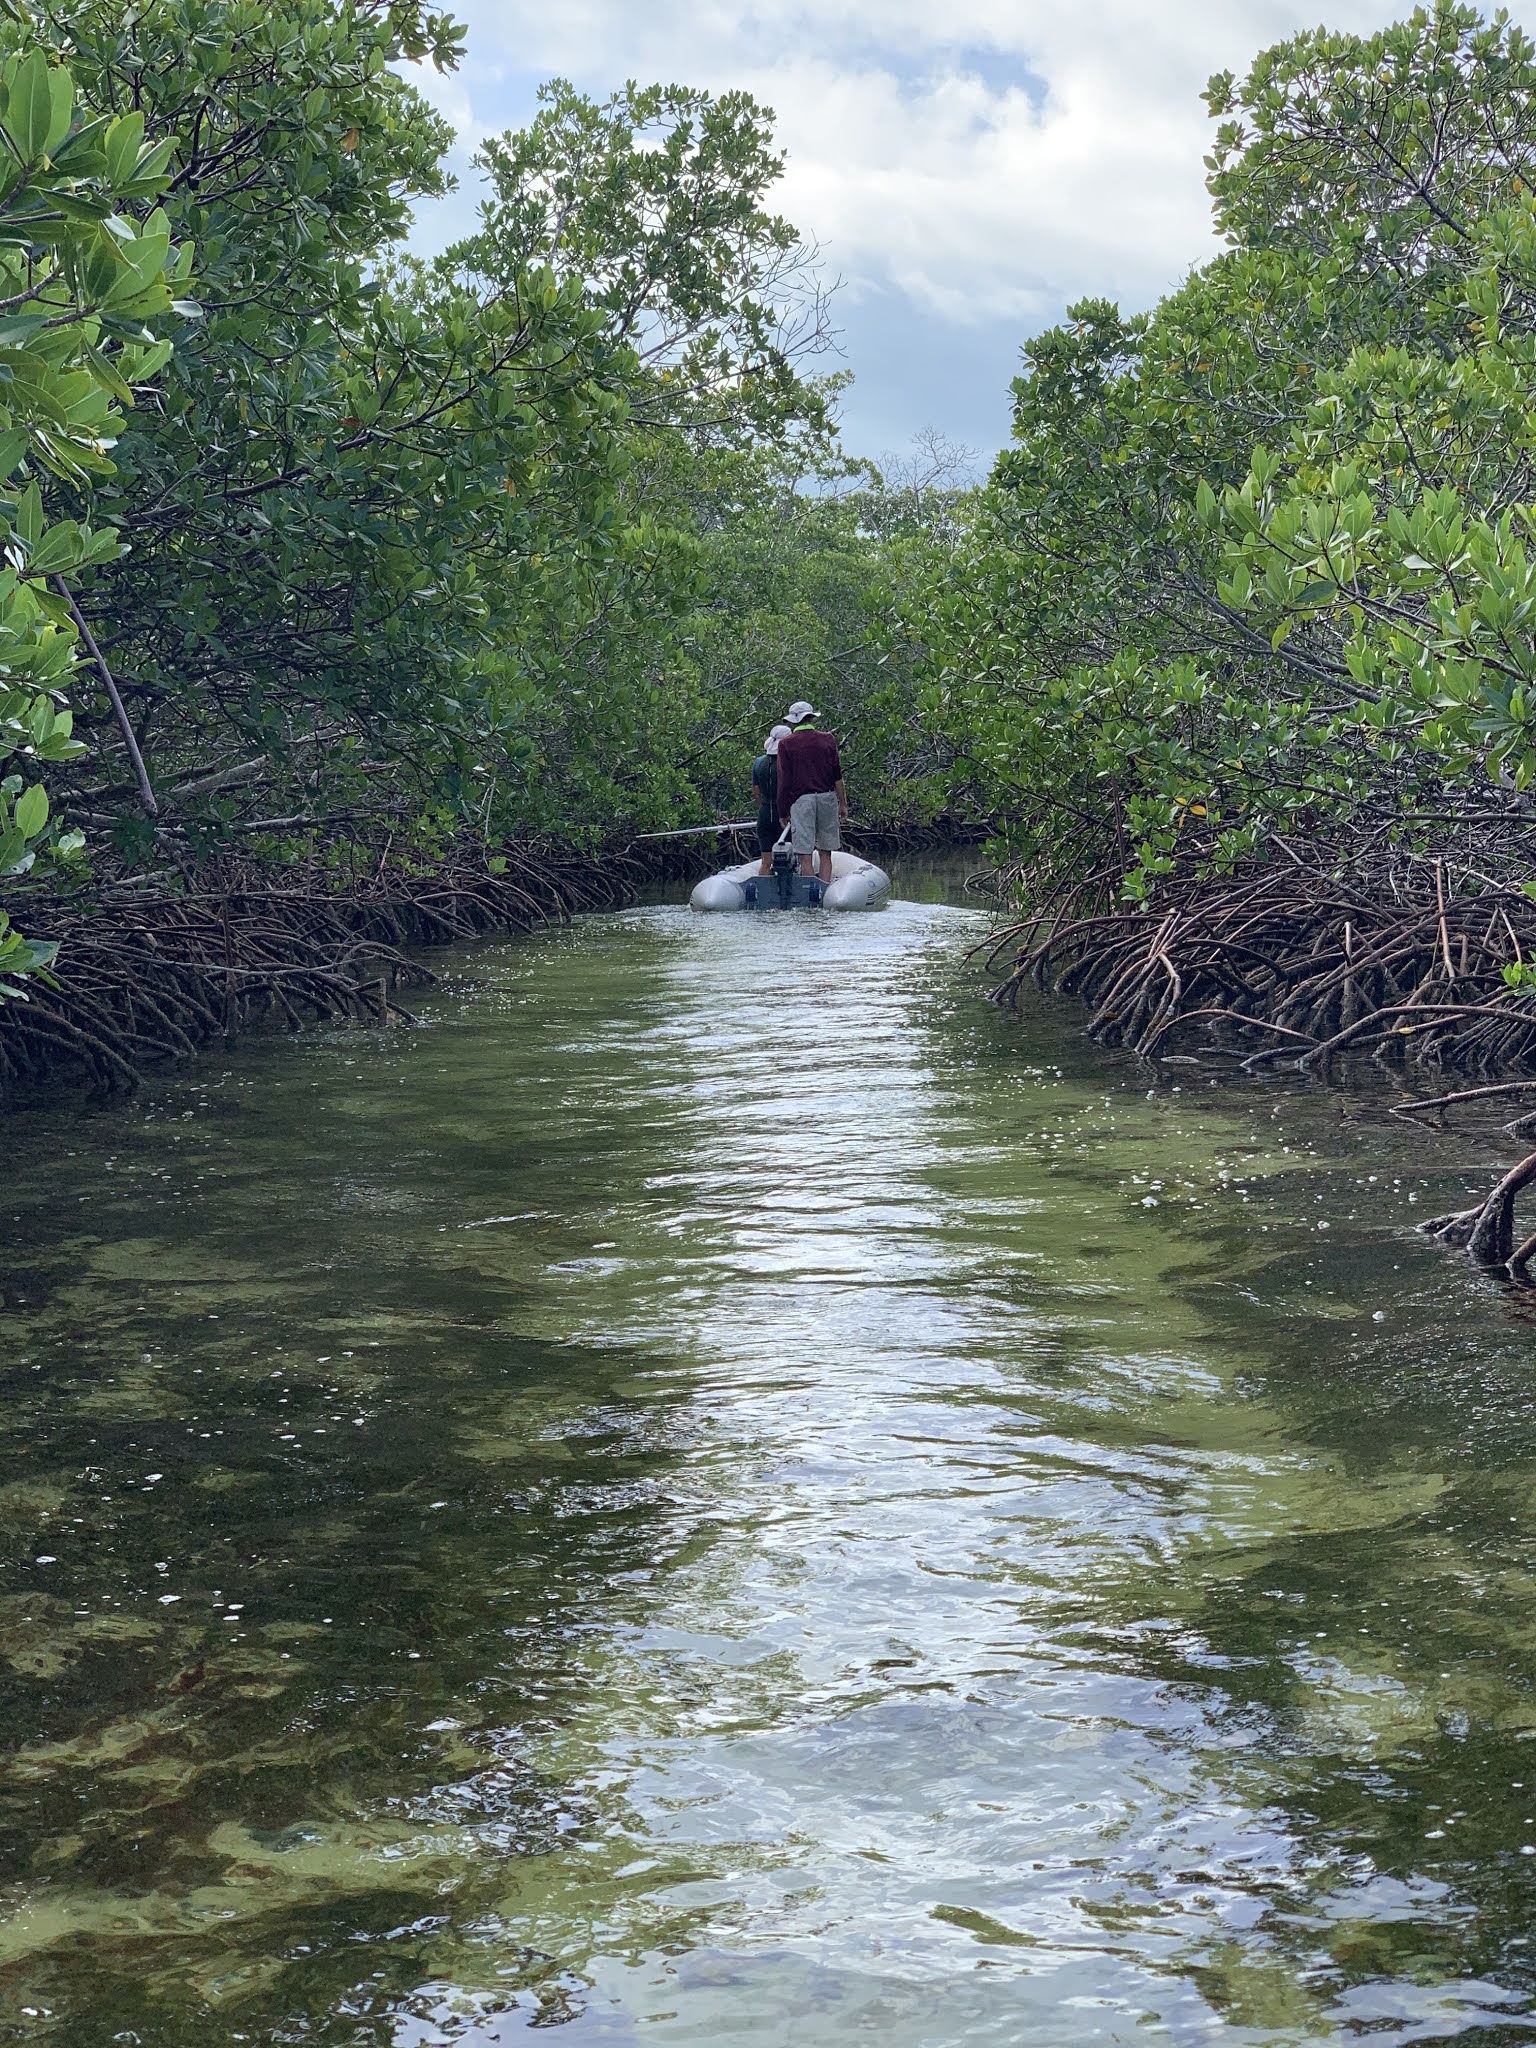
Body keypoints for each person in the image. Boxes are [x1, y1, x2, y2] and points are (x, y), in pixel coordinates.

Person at [774, 700, 847, 887]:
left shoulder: (786, 744)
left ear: (793, 721)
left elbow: (784, 782)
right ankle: (825, 890)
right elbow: (837, 775)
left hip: (801, 801)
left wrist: (783, 811)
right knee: (826, 852)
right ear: (811, 718)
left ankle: (810, 892)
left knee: (804, 854)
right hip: (827, 798)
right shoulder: (828, 739)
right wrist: (843, 804)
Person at [751, 724, 792, 876]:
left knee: (765, 862)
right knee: (791, 859)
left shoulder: (758, 762)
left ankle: (763, 888)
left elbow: (756, 792)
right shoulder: (789, 763)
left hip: (765, 814)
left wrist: (764, 805)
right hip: (786, 816)